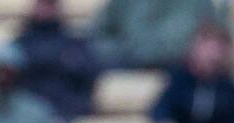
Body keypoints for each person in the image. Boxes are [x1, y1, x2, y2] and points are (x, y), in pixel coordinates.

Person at [14, 0, 95, 121]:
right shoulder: (19, 45)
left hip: (65, 112)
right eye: (43, 4)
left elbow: (87, 77)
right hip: (28, 113)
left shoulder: (75, 44)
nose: (46, 10)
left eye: (50, 4)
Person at [91, 0, 225, 70]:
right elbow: (100, 35)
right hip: (124, 66)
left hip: (178, 74)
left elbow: (214, 37)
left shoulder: (195, 3)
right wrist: (120, 51)